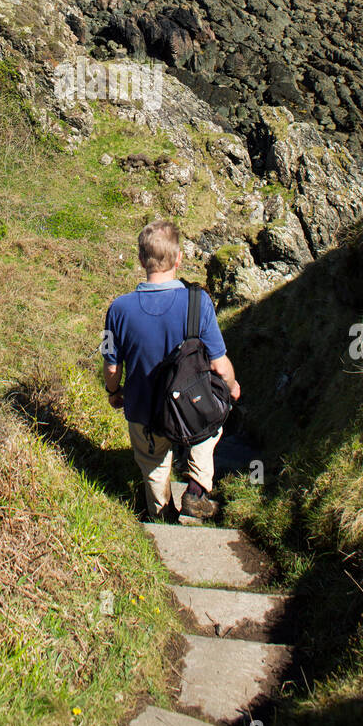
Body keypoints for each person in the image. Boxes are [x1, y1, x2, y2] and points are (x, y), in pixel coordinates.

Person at [102, 220, 240, 521]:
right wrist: (231, 386)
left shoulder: (117, 309)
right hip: (191, 405)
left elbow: (111, 365)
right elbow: (219, 363)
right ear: (178, 259)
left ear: (141, 260)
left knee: (154, 464)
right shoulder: (198, 302)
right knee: (211, 422)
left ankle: (161, 515)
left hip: (143, 410)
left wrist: (113, 392)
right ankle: (197, 489)